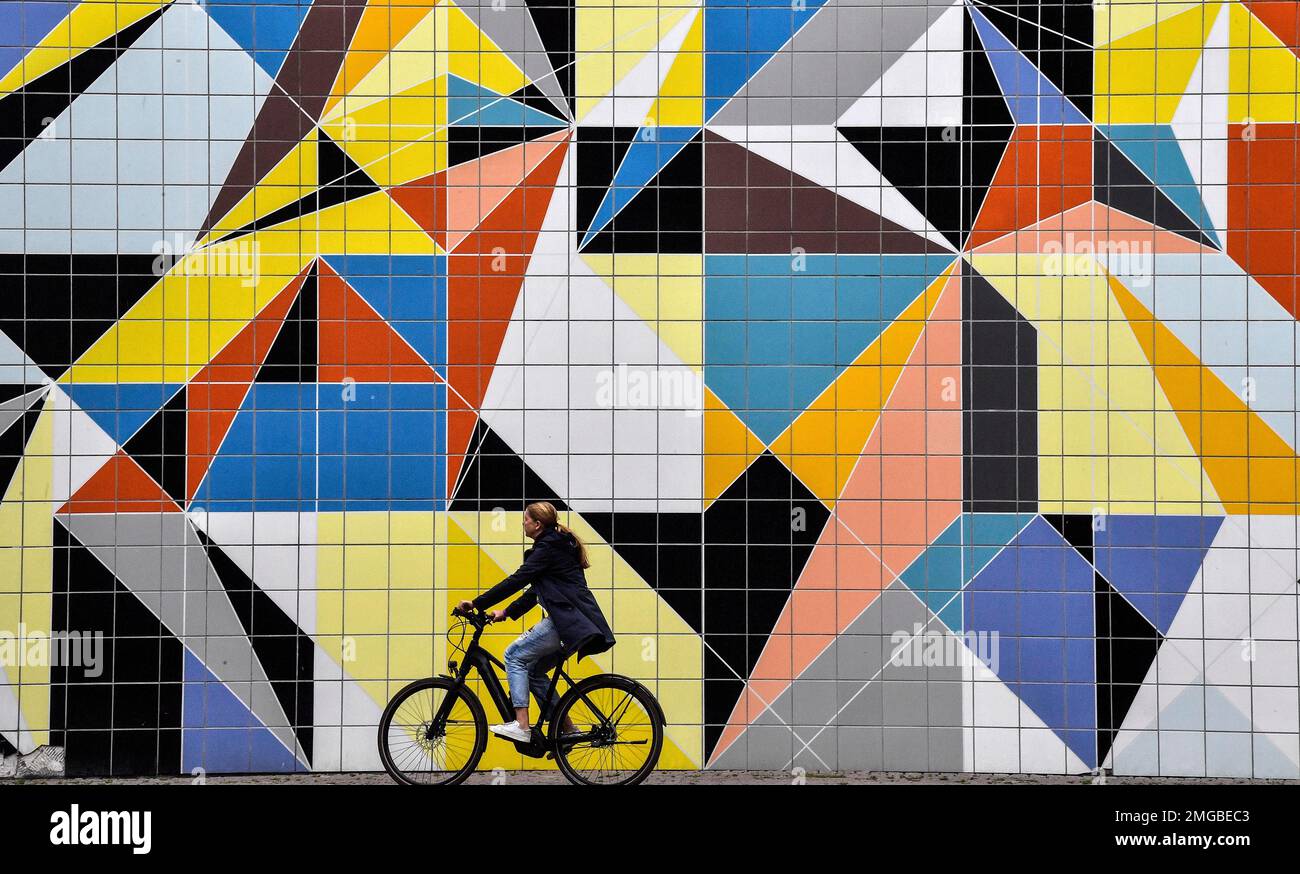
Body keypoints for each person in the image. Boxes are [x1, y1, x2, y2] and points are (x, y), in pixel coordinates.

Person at [456, 501, 616, 743]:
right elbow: (536, 590)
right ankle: (569, 730)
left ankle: (522, 725)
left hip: (566, 622)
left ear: (537, 524)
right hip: (573, 623)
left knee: (513, 655)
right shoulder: (556, 545)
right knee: (533, 672)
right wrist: (506, 612)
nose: (523, 523)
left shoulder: (549, 547)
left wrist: (477, 603)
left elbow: (518, 579)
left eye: (526, 519)